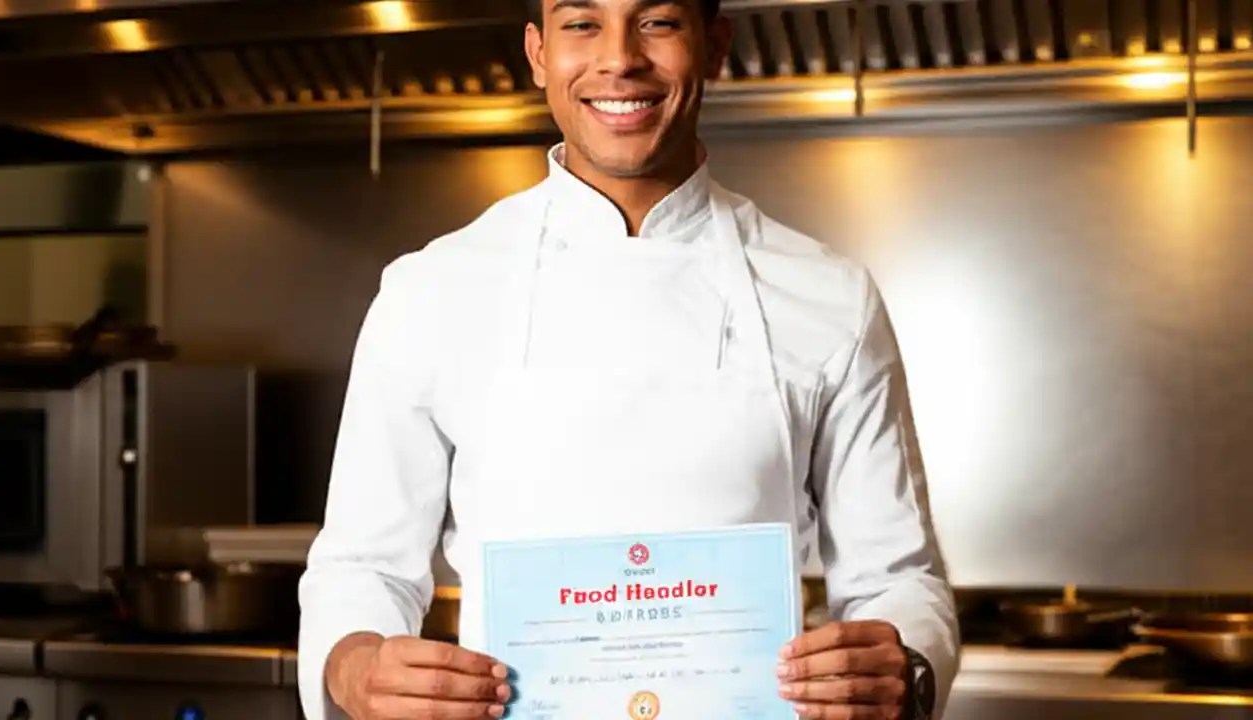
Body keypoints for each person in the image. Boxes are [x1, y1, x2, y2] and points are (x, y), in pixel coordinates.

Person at [297, 0, 960, 717]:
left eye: (657, 22)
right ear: (538, 52)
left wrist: (905, 666)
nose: (619, 57)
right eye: (582, 23)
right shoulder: (427, 292)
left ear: (715, 46)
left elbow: (899, 576)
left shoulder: (830, 295)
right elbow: (361, 567)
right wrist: (355, 667)